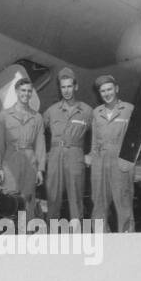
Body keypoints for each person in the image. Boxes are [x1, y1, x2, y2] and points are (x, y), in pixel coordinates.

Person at [90, 74, 137, 233]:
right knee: (98, 205)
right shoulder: (97, 112)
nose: (107, 93)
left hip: (121, 161)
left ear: (116, 89)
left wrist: (129, 151)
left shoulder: (129, 109)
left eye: (109, 89)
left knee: (123, 204)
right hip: (100, 163)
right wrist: (93, 160)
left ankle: (127, 244)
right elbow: (95, 141)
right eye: (103, 91)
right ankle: (102, 242)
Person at [43, 67, 92, 221]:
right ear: (60, 88)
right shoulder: (51, 111)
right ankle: (51, 238)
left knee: (76, 201)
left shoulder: (87, 111)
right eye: (63, 87)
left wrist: (91, 154)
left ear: (75, 86)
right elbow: (37, 132)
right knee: (53, 199)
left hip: (75, 155)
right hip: (55, 156)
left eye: (69, 86)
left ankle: (77, 240)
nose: (66, 90)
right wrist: (42, 154)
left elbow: (100, 134)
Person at [0, 75, 46, 216]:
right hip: (11, 159)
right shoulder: (3, 116)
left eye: (29, 91)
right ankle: (9, 235)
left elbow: (40, 145)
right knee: (10, 200)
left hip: (30, 161)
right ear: (16, 91)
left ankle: (27, 235)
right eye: (23, 90)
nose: (26, 94)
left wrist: (40, 169)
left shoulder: (37, 117)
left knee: (28, 200)